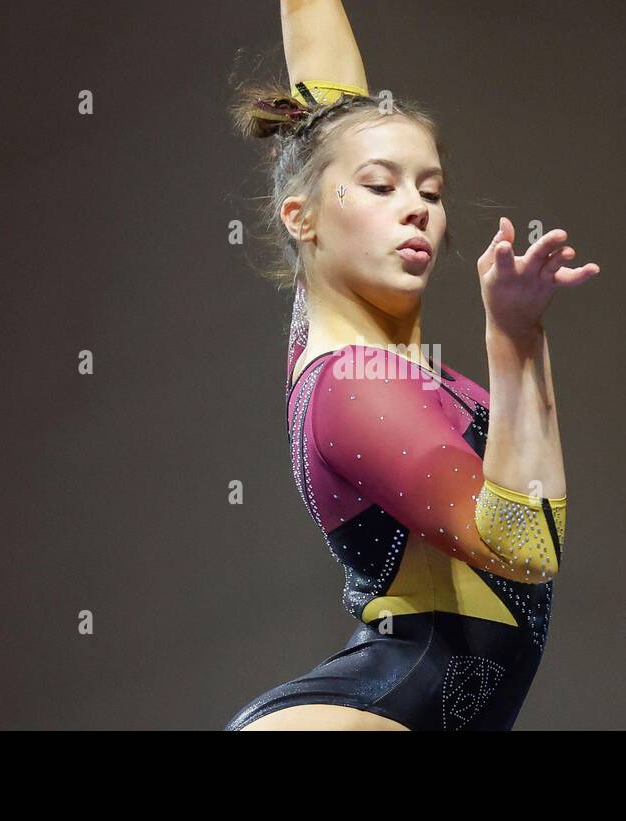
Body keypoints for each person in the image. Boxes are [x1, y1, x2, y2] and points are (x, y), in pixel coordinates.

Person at [224, 0, 599, 730]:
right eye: (380, 186)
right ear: (301, 216)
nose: (416, 208)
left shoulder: (344, 340)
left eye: (430, 190)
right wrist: (514, 336)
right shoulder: (357, 383)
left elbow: (321, 93)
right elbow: (521, 549)